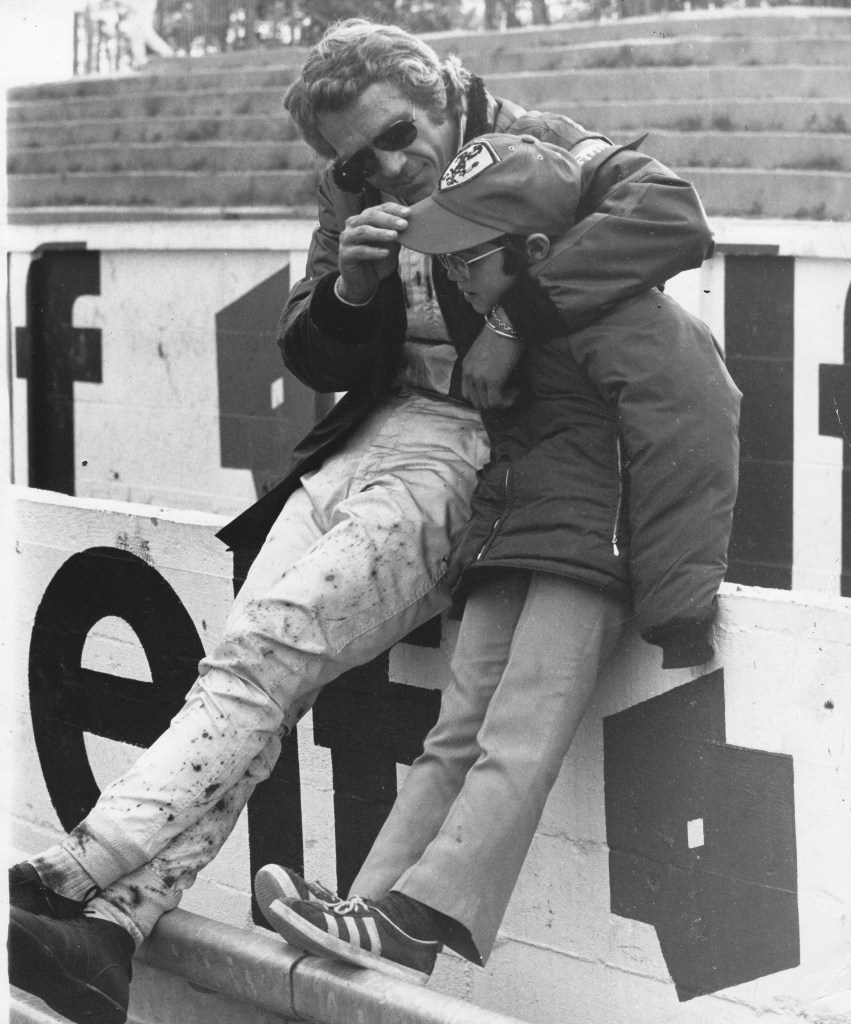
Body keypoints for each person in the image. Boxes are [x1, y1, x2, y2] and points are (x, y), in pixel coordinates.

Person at [8, 20, 717, 1024]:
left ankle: (82, 870)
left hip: (481, 450)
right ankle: (111, 927)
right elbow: (314, 350)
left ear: (443, 92)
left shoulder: (538, 145)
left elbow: (673, 215)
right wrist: (351, 282)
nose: (384, 168)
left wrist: (517, 317)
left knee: (290, 652)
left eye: (397, 137)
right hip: (372, 442)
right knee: (248, 662)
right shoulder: (351, 191)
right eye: (355, 161)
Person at [253, 132, 741, 985]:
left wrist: (677, 604)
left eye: (471, 259)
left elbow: (697, 437)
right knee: (454, 733)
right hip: (513, 544)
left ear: (538, 252)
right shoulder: (502, 325)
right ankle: (369, 909)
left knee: (515, 734)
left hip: (590, 555)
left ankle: (423, 918)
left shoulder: (633, 318)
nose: (455, 279)